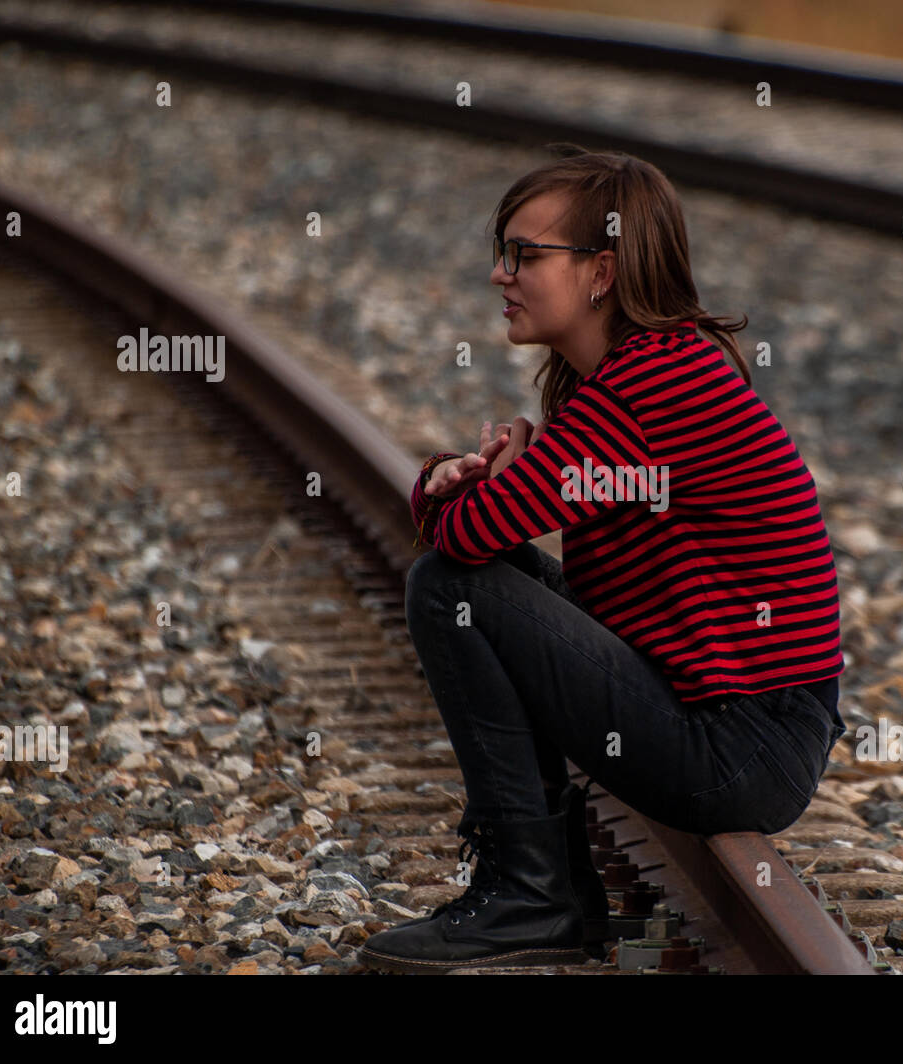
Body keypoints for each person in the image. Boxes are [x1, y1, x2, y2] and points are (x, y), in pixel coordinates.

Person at [360, 145, 846, 974]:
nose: (500, 275)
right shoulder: (643, 372)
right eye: (501, 253)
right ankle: (541, 888)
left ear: (601, 272)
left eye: (525, 254)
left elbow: (465, 537)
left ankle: (532, 891)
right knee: (487, 577)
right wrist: (456, 486)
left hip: (741, 744)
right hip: (756, 727)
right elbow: (485, 529)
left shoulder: (648, 386)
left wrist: (454, 491)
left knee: (452, 589)